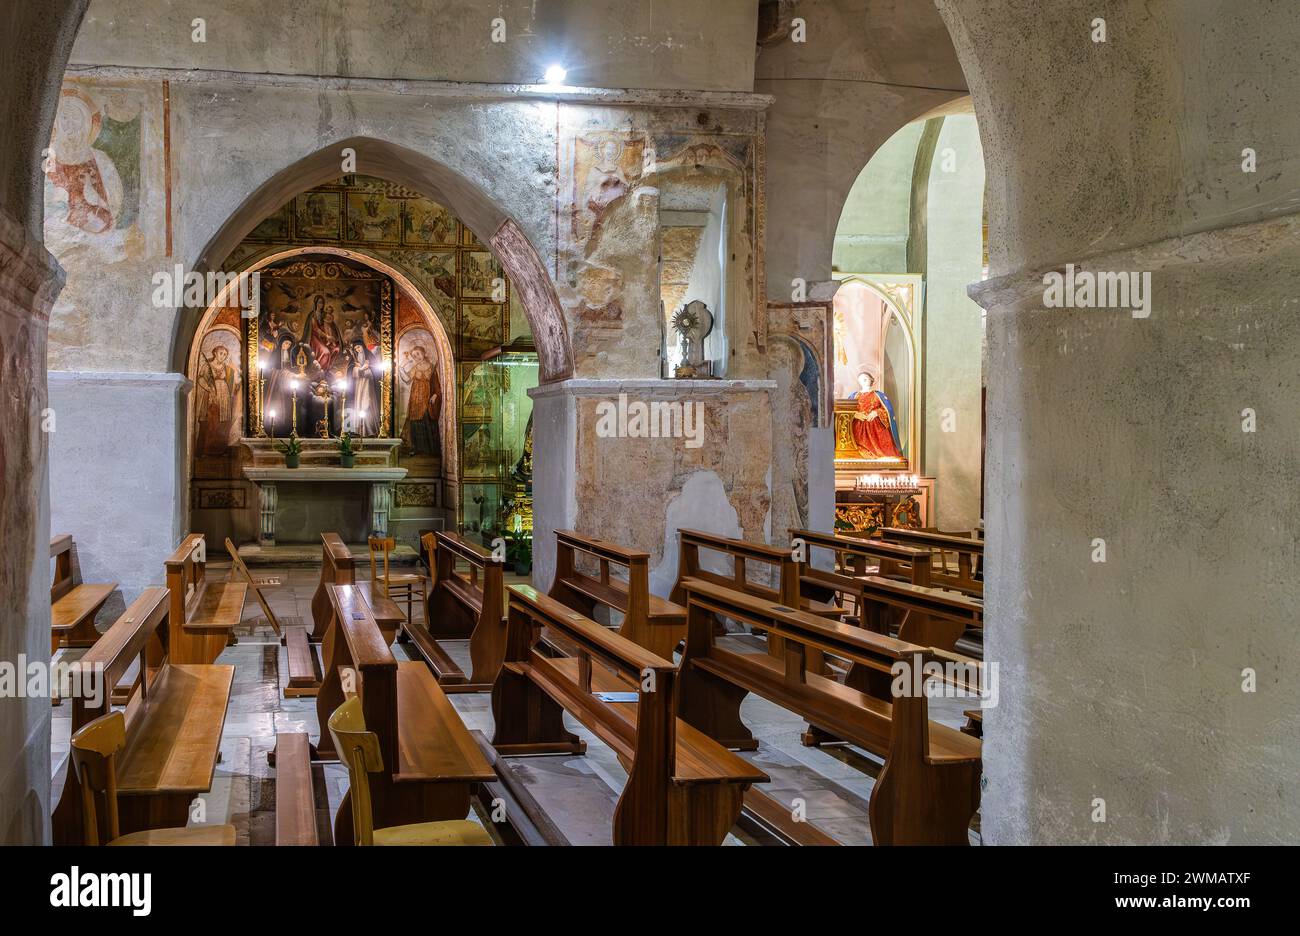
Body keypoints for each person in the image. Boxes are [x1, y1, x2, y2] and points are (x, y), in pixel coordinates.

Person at [849, 368, 903, 460]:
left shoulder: (879, 395)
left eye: (865, 379)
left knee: (885, 454)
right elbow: (846, 410)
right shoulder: (854, 396)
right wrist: (855, 414)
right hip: (858, 428)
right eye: (861, 380)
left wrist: (877, 412)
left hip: (876, 429)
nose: (863, 381)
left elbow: (888, 411)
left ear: (871, 379)